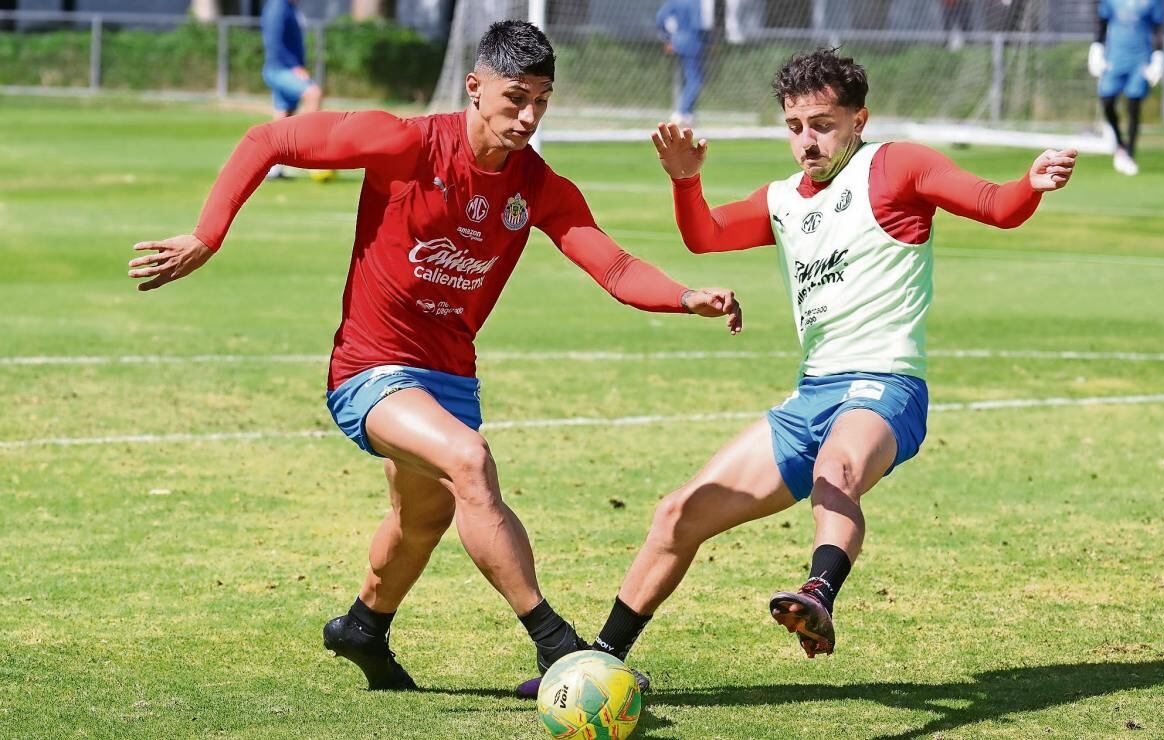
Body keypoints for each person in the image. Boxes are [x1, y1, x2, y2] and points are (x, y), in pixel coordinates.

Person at [127, 20, 741, 694]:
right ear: (474, 88)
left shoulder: (539, 186)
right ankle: (558, 648)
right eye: (514, 98)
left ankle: (363, 626)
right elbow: (268, 139)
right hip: (370, 369)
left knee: (421, 519)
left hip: (449, 377)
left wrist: (686, 297)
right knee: (469, 462)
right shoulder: (406, 143)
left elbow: (616, 269)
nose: (528, 116)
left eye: (541, 100)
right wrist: (208, 235)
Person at [584, 48, 1076, 669]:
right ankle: (600, 659)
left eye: (822, 125)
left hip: (886, 385)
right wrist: (685, 179)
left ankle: (818, 592)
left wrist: (1030, 183)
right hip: (813, 393)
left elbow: (996, 205)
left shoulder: (896, 166)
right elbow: (704, 235)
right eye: (795, 126)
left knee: (834, 469)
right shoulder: (783, 199)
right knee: (679, 513)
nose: (807, 141)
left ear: (858, 120)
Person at [1088, 0, 1164, 176]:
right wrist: (1096, 47)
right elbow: (1101, 22)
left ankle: (1130, 153)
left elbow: (1158, 28)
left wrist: (1159, 55)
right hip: (1115, 58)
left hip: (1140, 60)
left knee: (1133, 104)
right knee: (1107, 100)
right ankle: (1120, 143)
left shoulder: (1153, 2)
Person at [260, 0, 331, 180]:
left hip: (285, 68)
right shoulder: (277, 6)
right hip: (279, 69)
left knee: (283, 117)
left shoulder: (289, 7)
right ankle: (313, 155)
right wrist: (294, 66)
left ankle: (273, 168)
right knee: (313, 94)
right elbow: (274, 41)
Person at [656, 0, 710, 127]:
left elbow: (660, 18)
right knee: (695, 80)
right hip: (692, 41)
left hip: (677, 41)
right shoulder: (695, 2)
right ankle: (682, 111)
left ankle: (688, 114)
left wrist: (667, 38)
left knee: (687, 77)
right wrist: (708, 41)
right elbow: (698, 24)